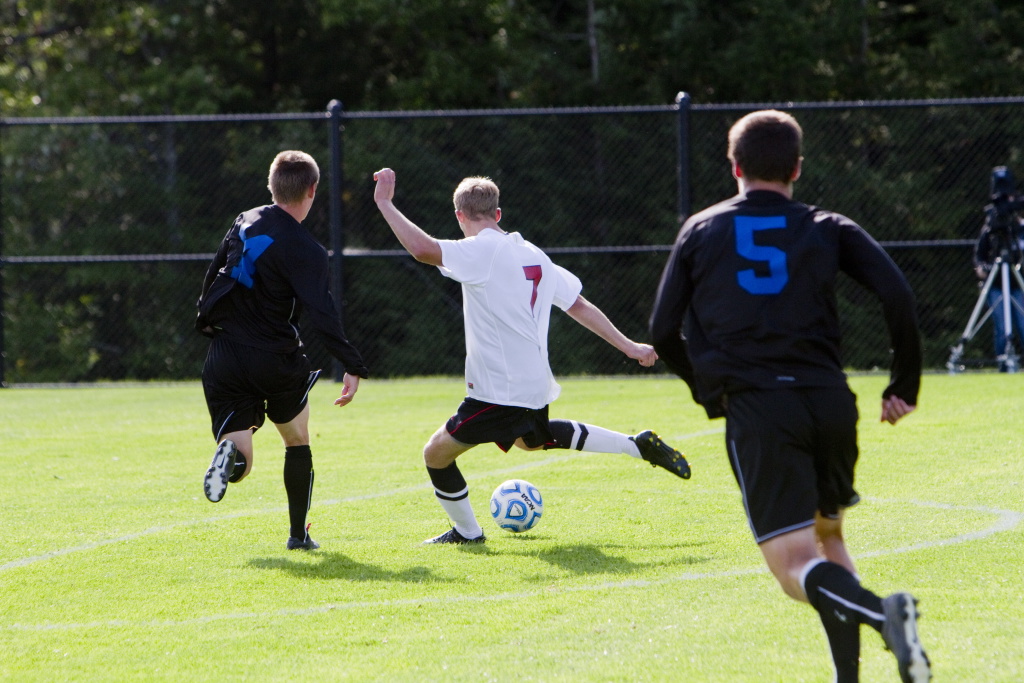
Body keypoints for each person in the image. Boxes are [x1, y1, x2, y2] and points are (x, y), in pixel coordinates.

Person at [648, 111, 930, 682]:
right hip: (829, 402)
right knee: (828, 538)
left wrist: (709, 390)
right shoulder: (827, 224)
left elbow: (660, 332)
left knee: (792, 569)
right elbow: (897, 292)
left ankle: (882, 613)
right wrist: (903, 384)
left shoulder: (701, 229)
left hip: (760, 409)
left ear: (735, 167)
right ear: (797, 167)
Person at [371, 168, 690, 545]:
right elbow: (578, 304)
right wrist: (630, 347)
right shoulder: (532, 253)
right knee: (530, 442)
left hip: (498, 391)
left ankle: (468, 533)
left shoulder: (481, 250)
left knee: (436, 454)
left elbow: (423, 249)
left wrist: (385, 204)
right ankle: (635, 445)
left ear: (459, 216)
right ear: (498, 214)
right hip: (533, 384)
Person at [195, 150, 368, 551]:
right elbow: (322, 313)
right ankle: (297, 535)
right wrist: (353, 363)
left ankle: (229, 458)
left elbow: (215, 270)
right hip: (275, 357)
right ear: (312, 190)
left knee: (244, 461)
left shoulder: (245, 220)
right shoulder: (306, 249)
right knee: (297, 440)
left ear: (271, 186)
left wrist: (204, 319)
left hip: (225, 353)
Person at [973, 214, 1024, 371]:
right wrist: (981, 268)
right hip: (996, 284)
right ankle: (1003, 364)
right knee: (1001, 326)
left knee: (1022, 324)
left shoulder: (1019, 230)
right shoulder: (990, 231)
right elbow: (979, 257)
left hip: (1017, 284)